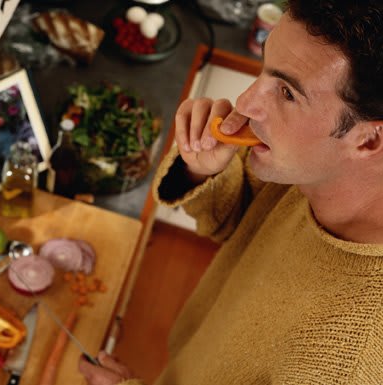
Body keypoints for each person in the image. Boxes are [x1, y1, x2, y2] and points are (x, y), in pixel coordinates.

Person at [79, 0, 383, 384]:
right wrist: (203, 170)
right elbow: (238, 224)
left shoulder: (346, 366)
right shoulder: (319, 165)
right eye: (265, 72)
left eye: (287, 93)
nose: (245, 103)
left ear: (370, 139)